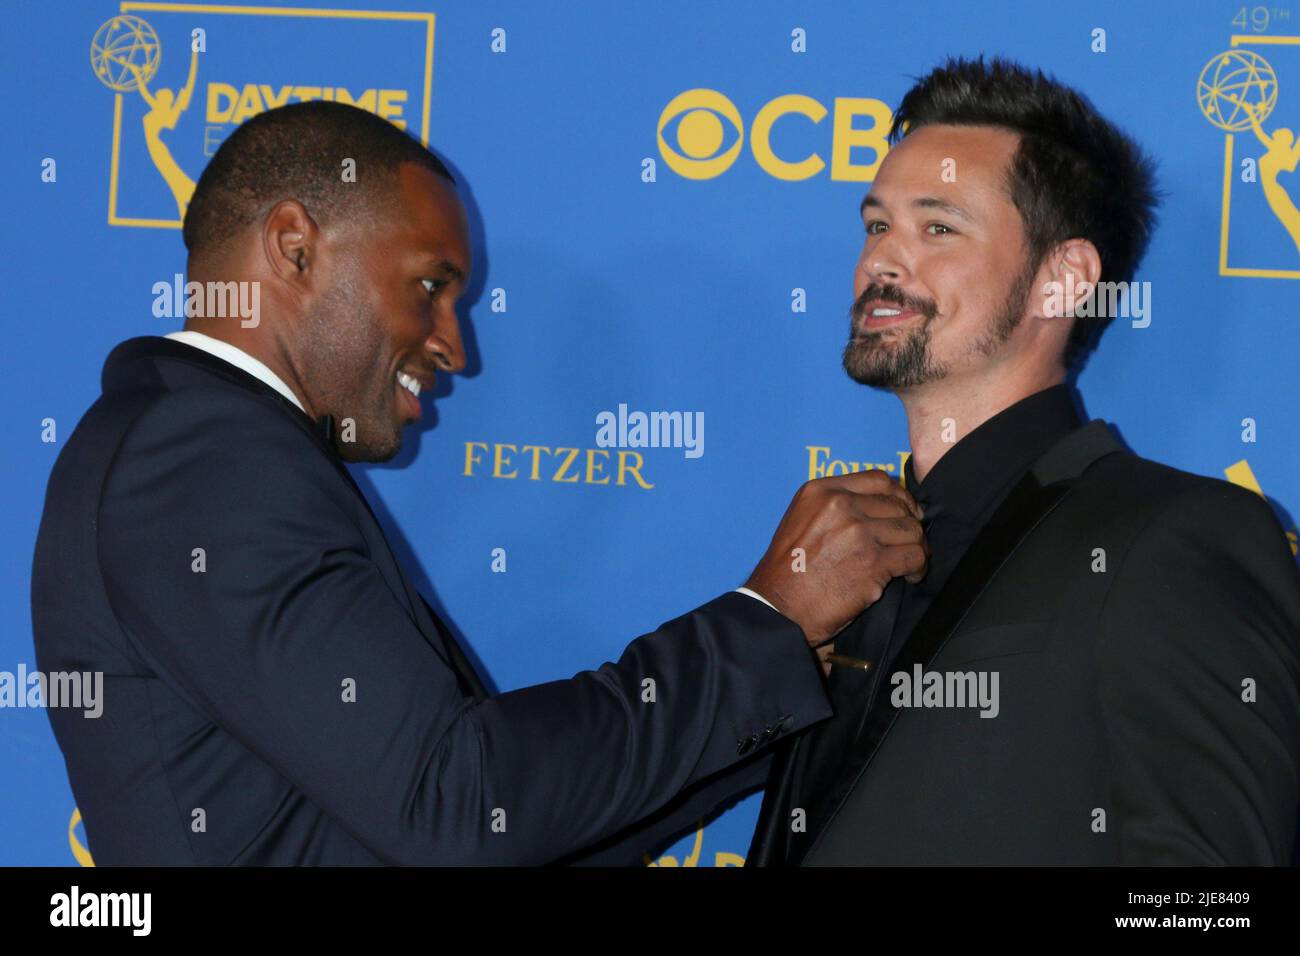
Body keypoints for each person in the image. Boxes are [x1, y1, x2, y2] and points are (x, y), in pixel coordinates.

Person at [31, 101, 932, 866]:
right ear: (295, 249)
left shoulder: (194, 446)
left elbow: (496, 831)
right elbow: (455, 802)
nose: (456, 348)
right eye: (430, 286)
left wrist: (785, 677)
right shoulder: (204, 455)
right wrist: (769, 618)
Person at [747, 56, 1300, 866]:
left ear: (1063, 279)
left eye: (938, 227)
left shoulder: (1178, 538)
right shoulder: (840, 553)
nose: (882, 263)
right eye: (877, 226)